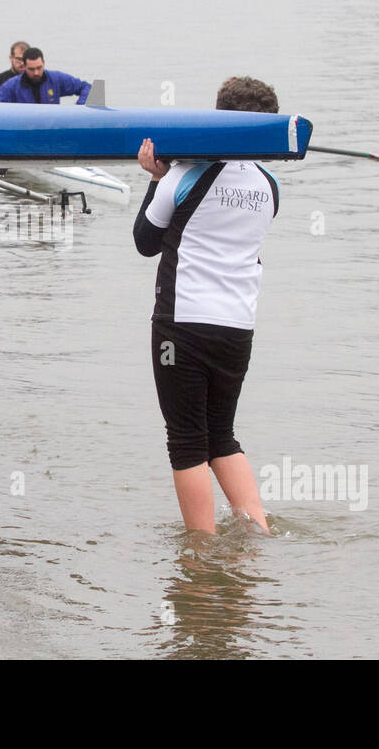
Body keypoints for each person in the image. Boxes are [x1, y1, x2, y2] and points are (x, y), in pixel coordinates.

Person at [132, 76, 283, 534]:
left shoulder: (184, 174)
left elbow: (145, 242)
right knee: (221, 436)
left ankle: (200, 550)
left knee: (185, 441)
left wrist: (157, 178)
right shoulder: (269, 183)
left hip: (183, 325)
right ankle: (257, 531)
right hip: (238, 326)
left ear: (216, 117)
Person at [0, 47, 91, 104]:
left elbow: (87, 87)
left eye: (39, 68)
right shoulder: (11, 86)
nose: (36, 73)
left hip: (51, 130)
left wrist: (80, 106)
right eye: (31, 69)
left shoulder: (55, 79)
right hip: (24, 132)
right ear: (24, 66)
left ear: (43, 63)